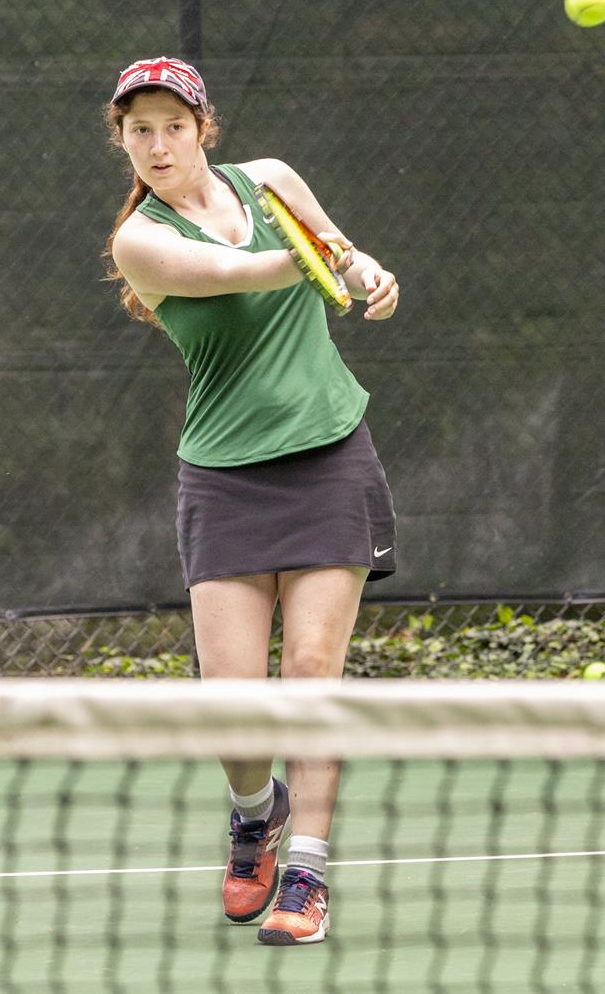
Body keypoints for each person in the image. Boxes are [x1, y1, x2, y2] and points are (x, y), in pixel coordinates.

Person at [102, 57, 400, 945]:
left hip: (330, 458)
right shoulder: (141, 242)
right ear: (120, 140)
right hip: (225, 480)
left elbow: (339, 252)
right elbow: (250, 273)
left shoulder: (270, 181)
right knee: (233, 703)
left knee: (312, 672)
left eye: (173, 127)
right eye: (139, 130)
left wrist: (367, 272)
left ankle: (305, 873)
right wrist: (313, 258)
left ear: (205, 130)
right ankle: (252, 815)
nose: (157, 145)